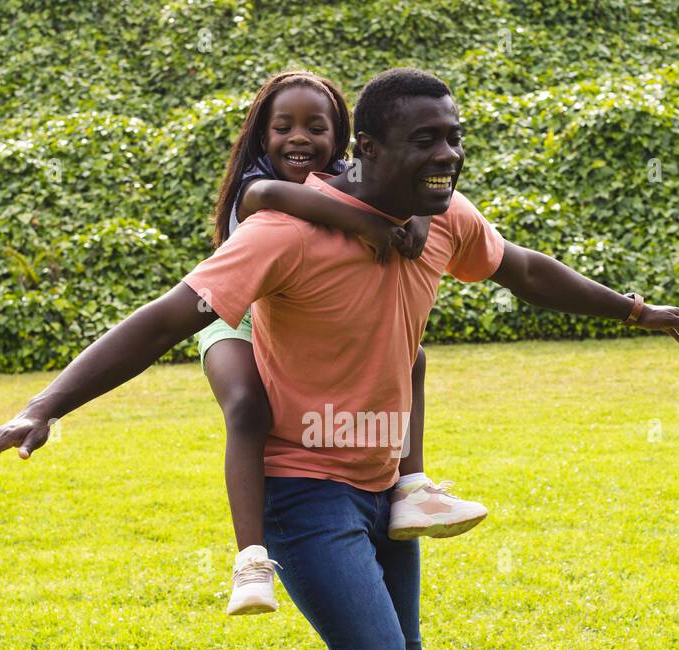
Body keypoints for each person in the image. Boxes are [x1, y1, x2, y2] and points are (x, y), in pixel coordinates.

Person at [0, 67, 679, 650]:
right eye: (427, 140)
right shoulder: (284, 232)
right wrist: (45, 404)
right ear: (369, 148)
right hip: (303, 490)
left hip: (384, 489)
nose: (448, 154)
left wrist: (633, 309)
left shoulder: (445, 220)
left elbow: (523, 270)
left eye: (454, 137)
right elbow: (169, 317)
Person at [201, 70, 487, 616]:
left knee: (413, 358)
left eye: (317, 126)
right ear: (263, 137)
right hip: (233, 315)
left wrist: (419, 218)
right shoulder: (257, 185)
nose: (299, 138)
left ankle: (411, 485)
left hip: (292, 311)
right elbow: (291, 201)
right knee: (247, 406)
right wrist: (369, 225)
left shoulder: (346, 174)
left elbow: (398, 193)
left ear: (345, 140)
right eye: (283, 127)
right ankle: (250, 557)